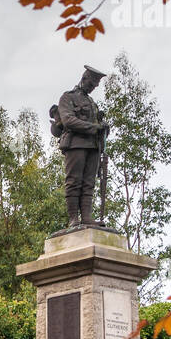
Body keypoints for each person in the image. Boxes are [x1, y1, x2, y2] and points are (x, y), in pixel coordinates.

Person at [56, 65, 109, 229]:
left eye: (95, 86)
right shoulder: (68, 97)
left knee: (89, 183)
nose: (92, 88)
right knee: (74, 181)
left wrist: (103, 127)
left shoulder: (92, 102)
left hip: (93, 146)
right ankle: (74, 218)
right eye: (91, 84)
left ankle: (86, 217)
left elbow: (98, 125)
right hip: (75, 144)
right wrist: (94, 127)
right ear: (84, 79)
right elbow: (68, 121)